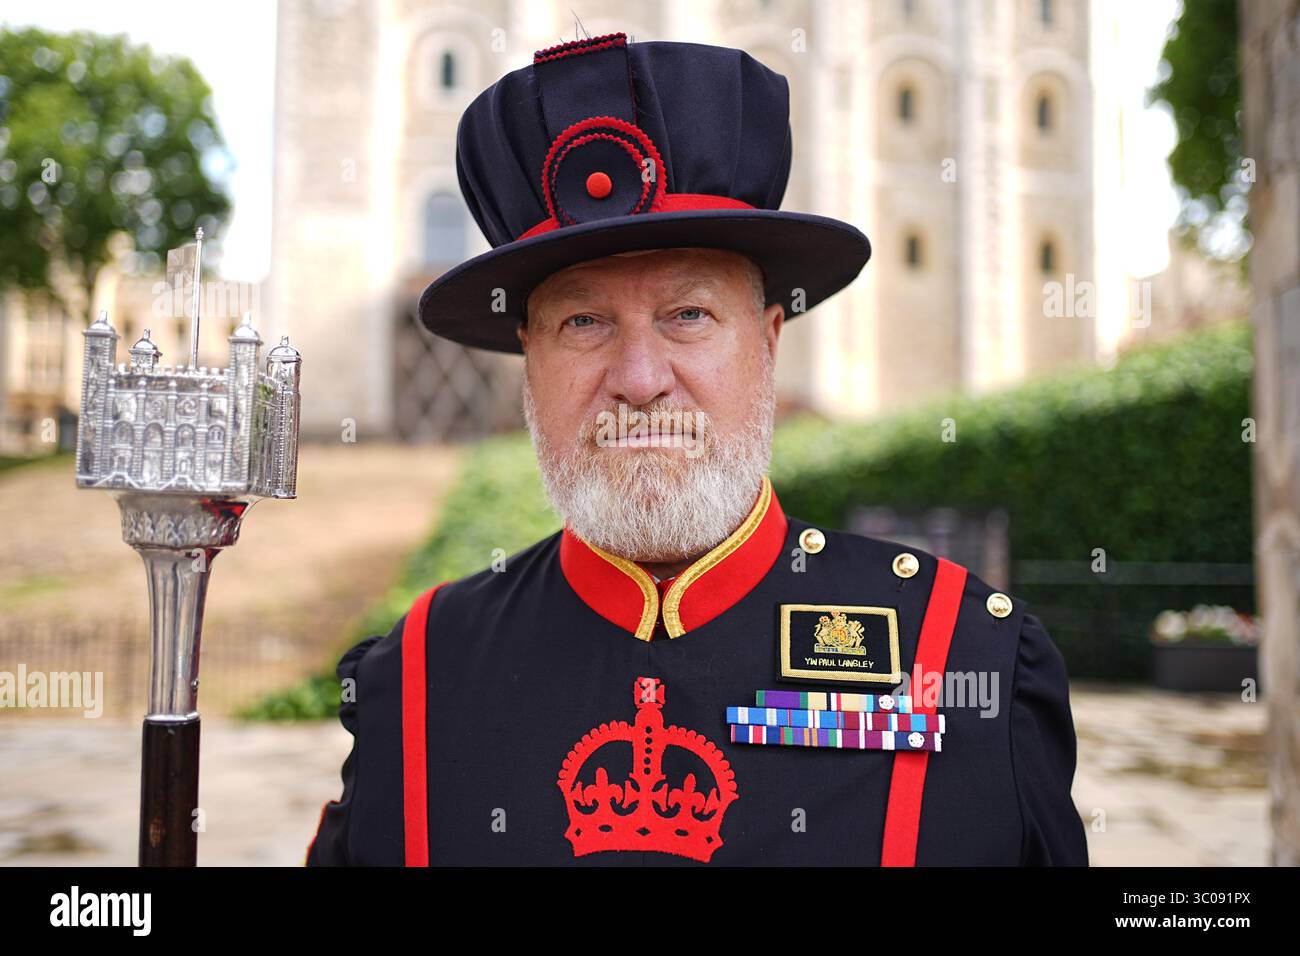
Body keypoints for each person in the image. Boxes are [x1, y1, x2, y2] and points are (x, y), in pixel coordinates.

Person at [306, 31, 1088, 866]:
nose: (640, 379)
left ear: (770, 340)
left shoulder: (963, 659)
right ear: (529, 363)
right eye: (583, 321)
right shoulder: (422, 679)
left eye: (689, 315)